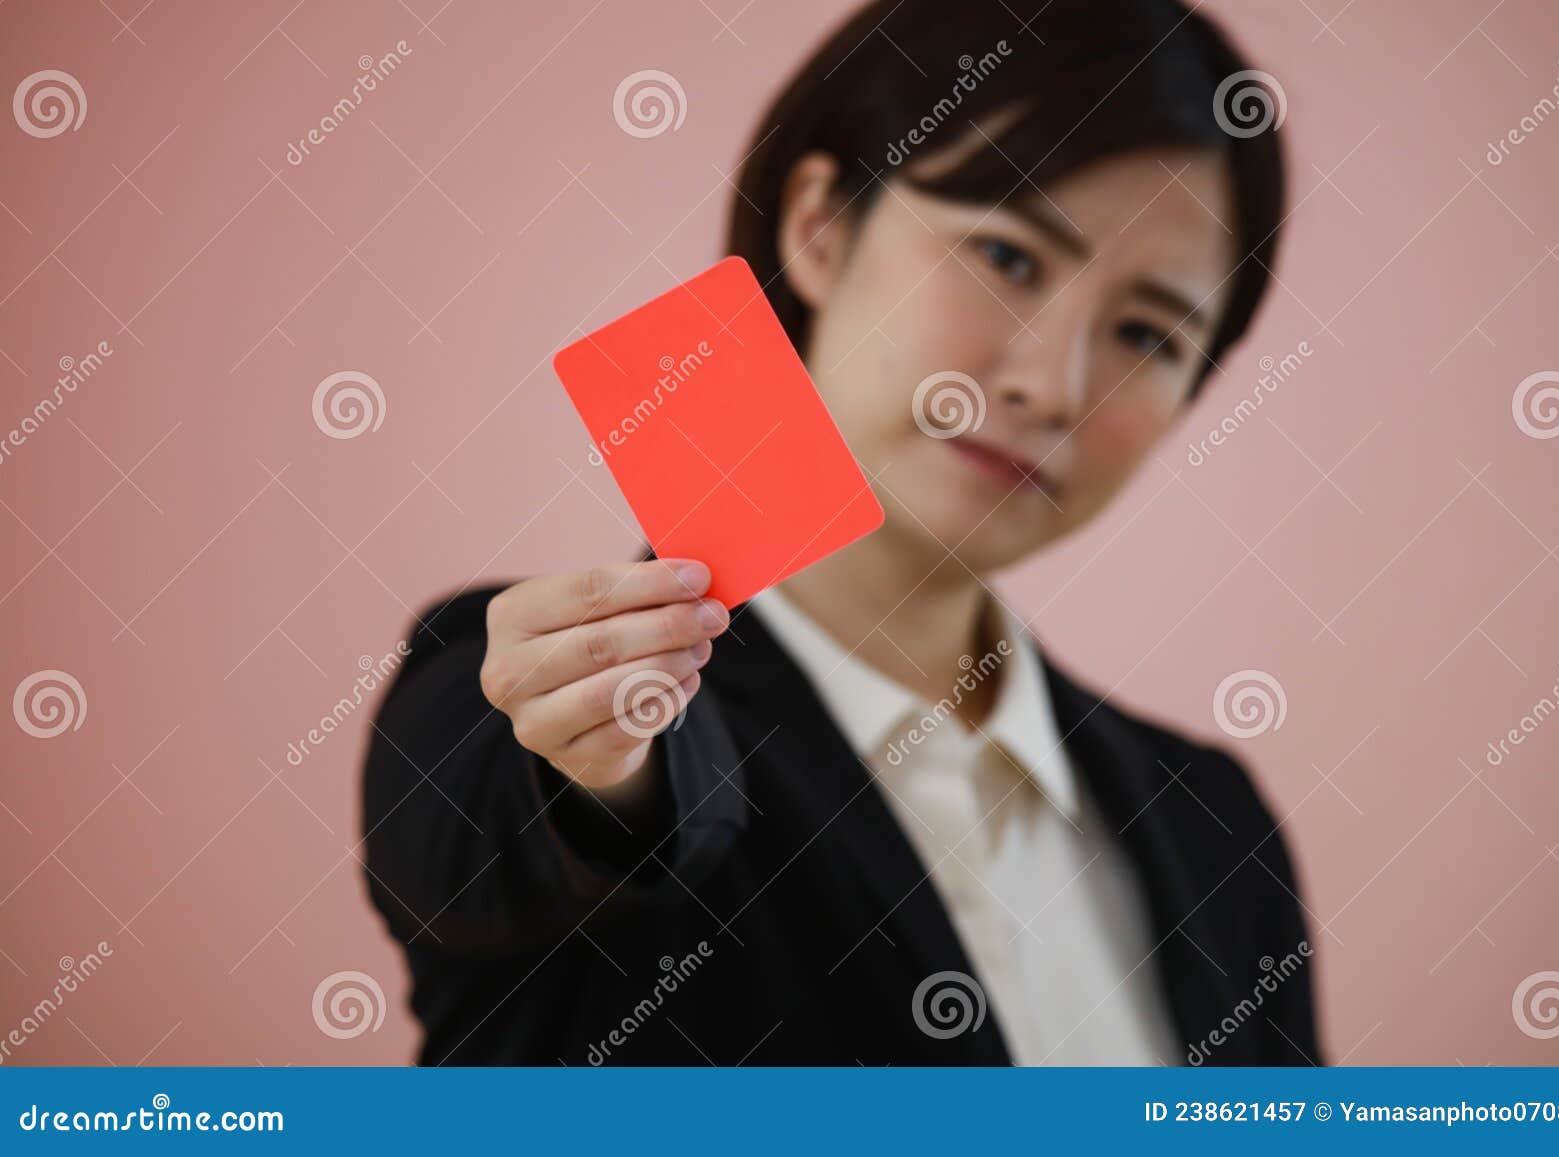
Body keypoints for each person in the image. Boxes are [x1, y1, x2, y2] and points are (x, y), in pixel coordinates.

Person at [361, 0, 1321, 1066]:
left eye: (1146, 332)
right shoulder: (507, 687)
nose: (1053, 383)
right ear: (820, 225)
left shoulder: (1217, 833)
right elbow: (545, 826)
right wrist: (600, 772)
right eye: (1007, 256)